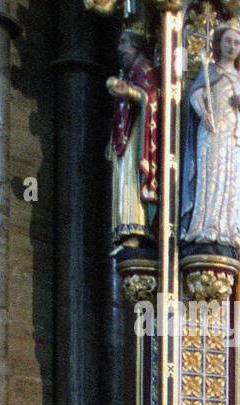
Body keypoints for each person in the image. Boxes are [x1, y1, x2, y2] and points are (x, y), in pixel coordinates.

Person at [180, 26, 240, 255]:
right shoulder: (210, 71)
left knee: (232, 180)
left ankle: (230, 229)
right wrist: (203, 113)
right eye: (228, 41)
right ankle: (207, 224)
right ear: (219, 44)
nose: (232, 47)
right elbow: (195, 95)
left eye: (236, 43)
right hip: (213, 133)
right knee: (212, 178)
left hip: (235, 138)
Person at [106, 29, 159, 249]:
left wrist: (130, 92)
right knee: (122, 177)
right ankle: (125, 229)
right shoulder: (128, 73)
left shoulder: (144, 70)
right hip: (125, 136)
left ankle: (137, 226)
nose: (120, 48)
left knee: (131, 177)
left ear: (136, 46)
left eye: (124, 43)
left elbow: (151, 97)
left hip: (137, 136)